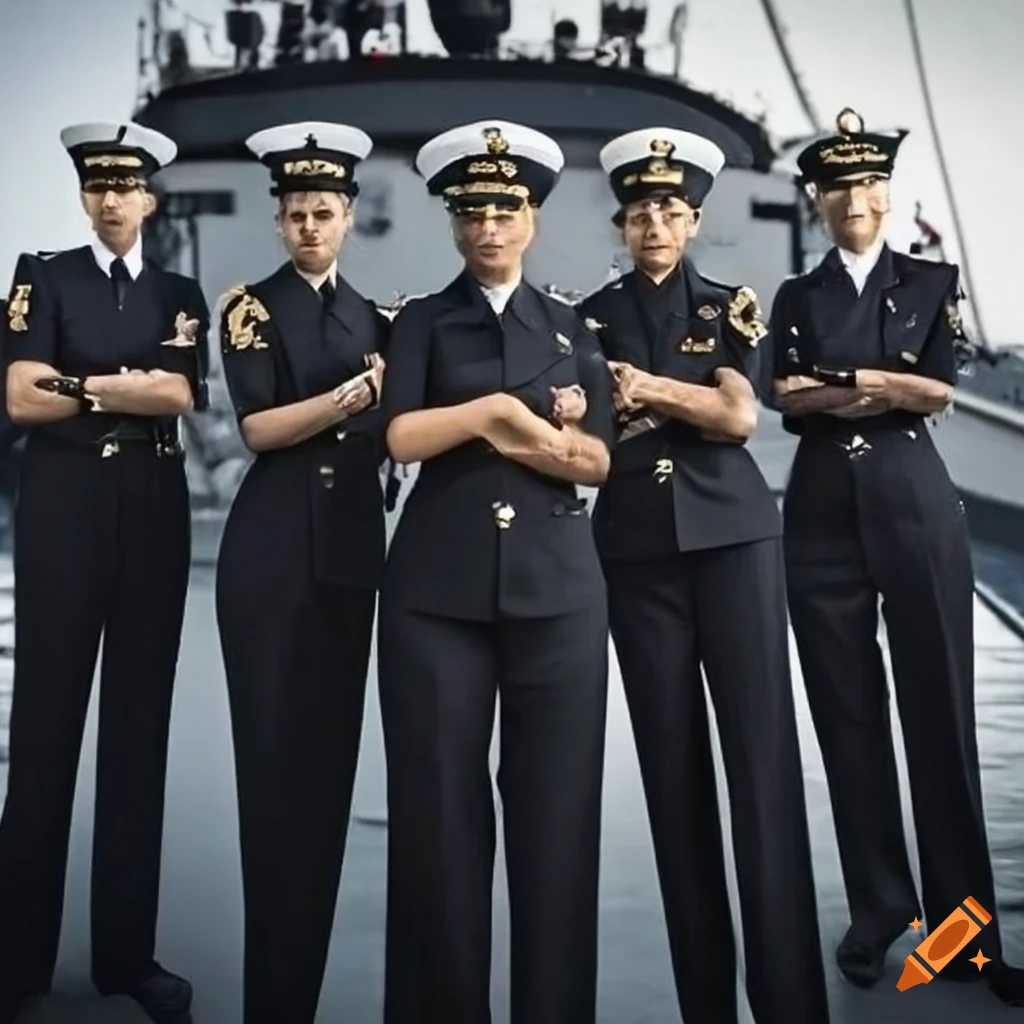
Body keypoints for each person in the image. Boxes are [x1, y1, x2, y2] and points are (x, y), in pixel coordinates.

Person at [771, 107, 1024, 1007]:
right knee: (846, 713)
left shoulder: (931, 278)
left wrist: (859, 381)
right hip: (822, 516)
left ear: (887, 193)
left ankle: (967, 935)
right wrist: (885, 381)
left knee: (940, 712)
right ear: (818, 198)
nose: (855, 199)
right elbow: (786, 397)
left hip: (915, 505)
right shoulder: (796, 296)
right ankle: (880, 908)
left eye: (869, 184)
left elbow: (936, 388)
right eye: (838, 186)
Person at [576, 127, 830, 1024]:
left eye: (670, 210)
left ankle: (792, 1002)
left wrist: (643, 390)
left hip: (734, 547)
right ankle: (704, 1008)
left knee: (762, 770)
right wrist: (682, 399)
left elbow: (736, 417)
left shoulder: (733, 308)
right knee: (672, 780)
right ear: (622, 223)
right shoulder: (586, 318)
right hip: (637, 557)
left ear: (693, 222)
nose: (654, 223)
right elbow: (592, 440)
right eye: (639, 210)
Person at [378, 119, 616, 1024]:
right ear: (451, 221)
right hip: (436, 597)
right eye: (471, 209)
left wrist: (525, 435)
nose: (487, 226)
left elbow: (596, 461)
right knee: (440, 825)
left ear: (533, 220)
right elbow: (402, 436)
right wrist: (493, 416)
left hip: (557, 595)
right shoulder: (422, 324)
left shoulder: (569, 325)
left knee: (557, 827)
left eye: (505, 208)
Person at [0, 121, 207, 1024]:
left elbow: (179, 393)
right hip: (63, 512)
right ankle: (16, 959)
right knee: (44, 735)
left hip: (150, 515)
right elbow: (16, 393)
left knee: (136, 737)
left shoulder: (181, 289)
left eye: (129, 186)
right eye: (99, 185)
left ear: (151, 200)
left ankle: (128, 956)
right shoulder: (40, 274)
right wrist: (119, 383)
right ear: (86, 194)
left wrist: (78, 384)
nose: (114, 198)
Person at [214, 121, 389, 1024]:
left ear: (350, 216)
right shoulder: (249, 307)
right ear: (278, 221)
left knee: (325, 780)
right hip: (272, 554)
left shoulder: (381, 317)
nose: (311, 226)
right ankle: (267, 999)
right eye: (296, 213)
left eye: (325, 211)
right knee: (270, 780)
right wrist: (355, 395)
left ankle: (300, 994)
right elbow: (259, 429)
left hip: (351, 557)